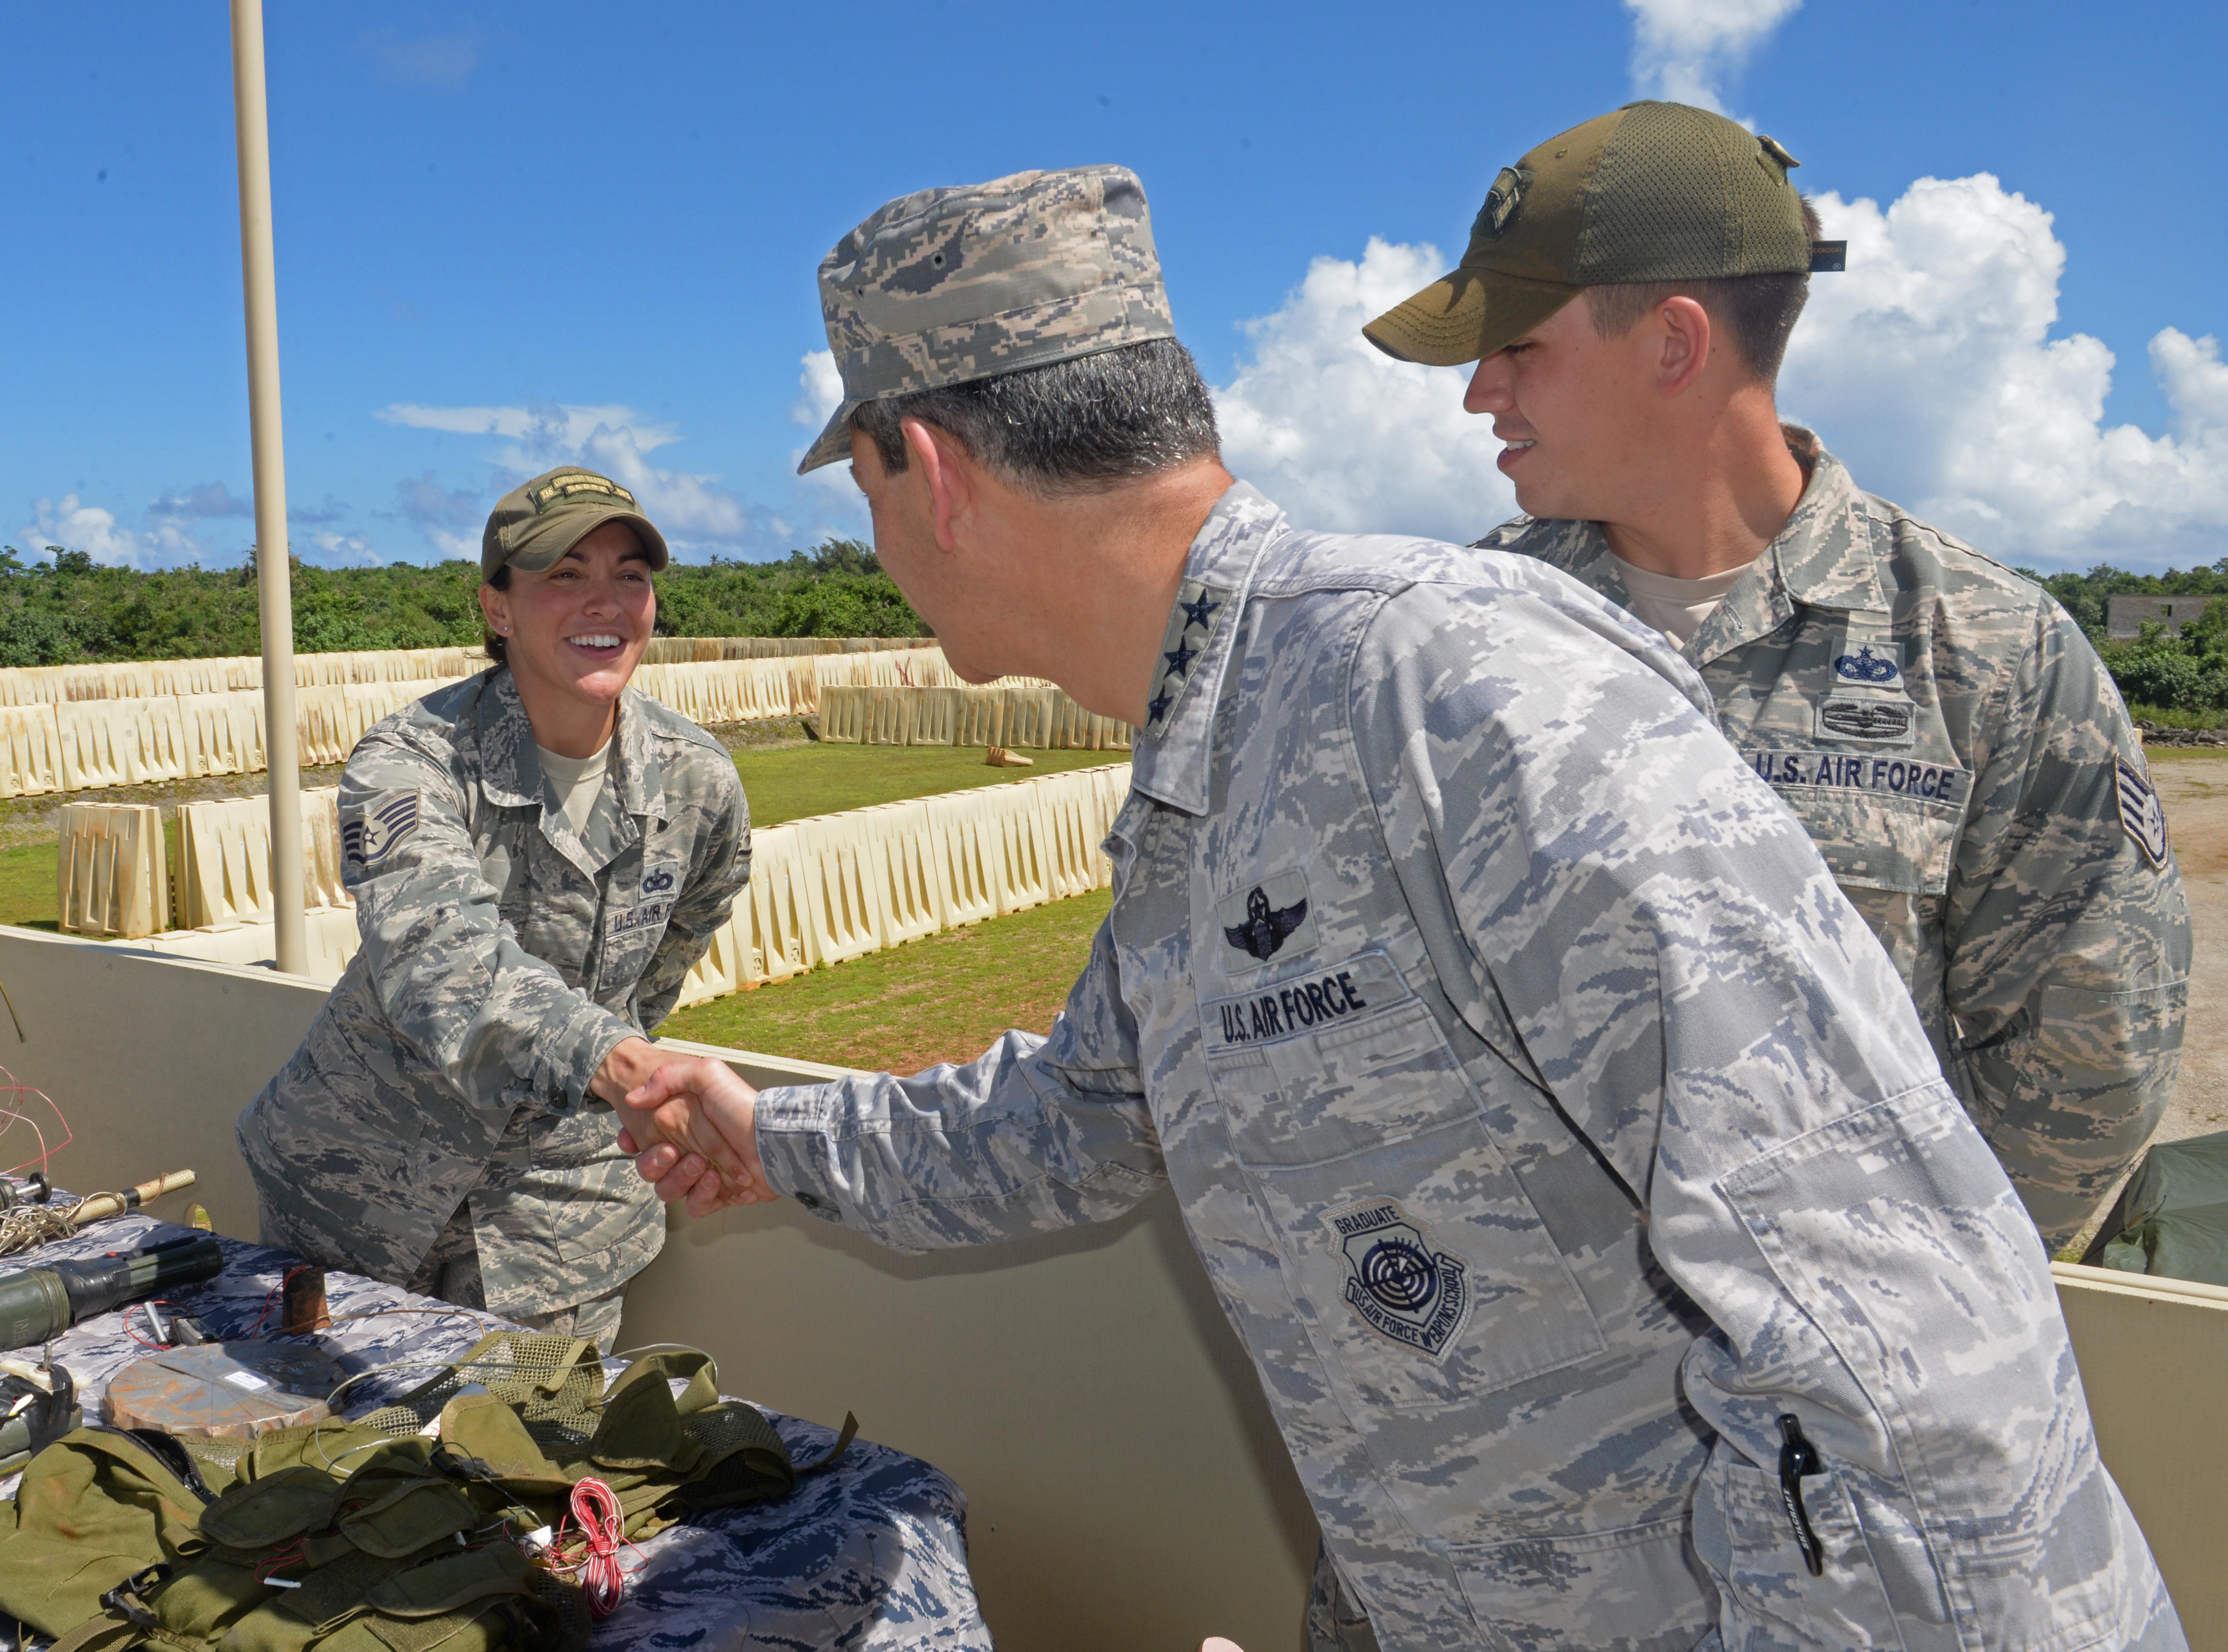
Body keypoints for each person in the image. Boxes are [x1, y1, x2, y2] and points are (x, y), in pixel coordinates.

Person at [614, 165, 2180, 1650]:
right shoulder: (1211, 758)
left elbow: (1892, 1341)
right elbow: (1073, 1121)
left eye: (864, 485)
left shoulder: (1447, 691)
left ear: (930, 474)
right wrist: (771, 1133)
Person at [1359, 100, 2191, 1252]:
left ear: (1674, 346)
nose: (1479, 394)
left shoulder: (1990, 662)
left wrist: (1908, 1329)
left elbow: (2086, 1071)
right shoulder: (1460, 637)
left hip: (1869, 1388)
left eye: (1520, 349)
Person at [237, 466, 751, 1348]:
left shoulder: (698, 782)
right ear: (497, 608)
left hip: (560, 1230)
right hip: (354, 1198)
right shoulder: (409, 762)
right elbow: (437, 952)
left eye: (630, 575)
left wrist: (615, 1063)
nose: (606, 602)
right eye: (565, 574)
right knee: (339, 1462)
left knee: (525, 1463)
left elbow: (663, 963)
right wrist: (623, 1070)